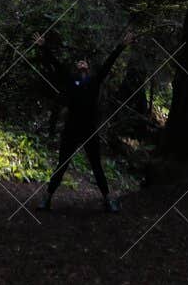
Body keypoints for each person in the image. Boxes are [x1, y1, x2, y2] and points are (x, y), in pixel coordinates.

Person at [36, 29, 132, 212]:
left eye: (84, 61)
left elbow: (107, 66)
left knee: (96, 165)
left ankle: (108, 200)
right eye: (79, 62)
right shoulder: (71, 81)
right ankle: (46, 199)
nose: (81, 63)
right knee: (62, 163)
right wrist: (44, 47)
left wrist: (121, 46)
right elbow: (56, 65)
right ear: (77, 68)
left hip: (89, 129)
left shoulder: (94, 82)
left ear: (87, 68)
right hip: (71, 128)